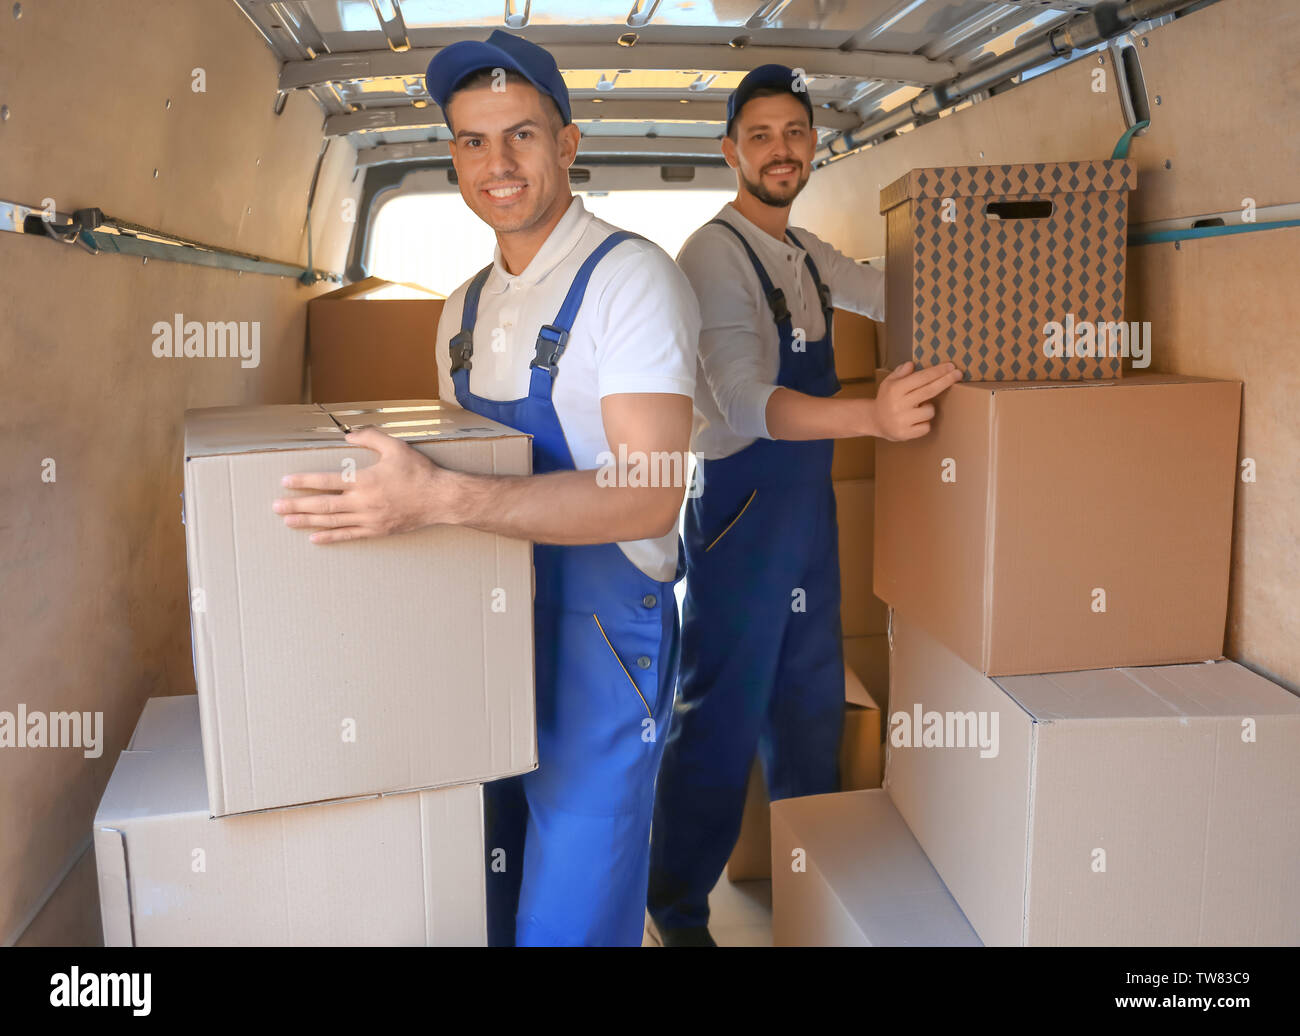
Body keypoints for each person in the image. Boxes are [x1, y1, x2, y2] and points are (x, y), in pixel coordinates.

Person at [275, 30, 701, 947]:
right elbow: (448, 467)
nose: (496, 164)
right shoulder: (462, 307)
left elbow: (651, 495)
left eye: (521, 135)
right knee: (483, 886)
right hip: (490, 621)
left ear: (569, 142)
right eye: (472, 141)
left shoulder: (631, 281)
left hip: (601, 637)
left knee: (573, 911)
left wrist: (439, 503)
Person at [646, 64, 961, 946]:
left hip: (804, 513)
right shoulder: (714, 256)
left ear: (815, 145)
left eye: (795, 133)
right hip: (743, 512)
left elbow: (888, 292)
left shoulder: (802, 250)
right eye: (760, 135)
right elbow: (744, 402)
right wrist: (874, 416)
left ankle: (809, 888)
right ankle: (675, 908)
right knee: (721, 714)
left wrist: (977, 312)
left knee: (810, 705)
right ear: (730, 150)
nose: (779, 150)